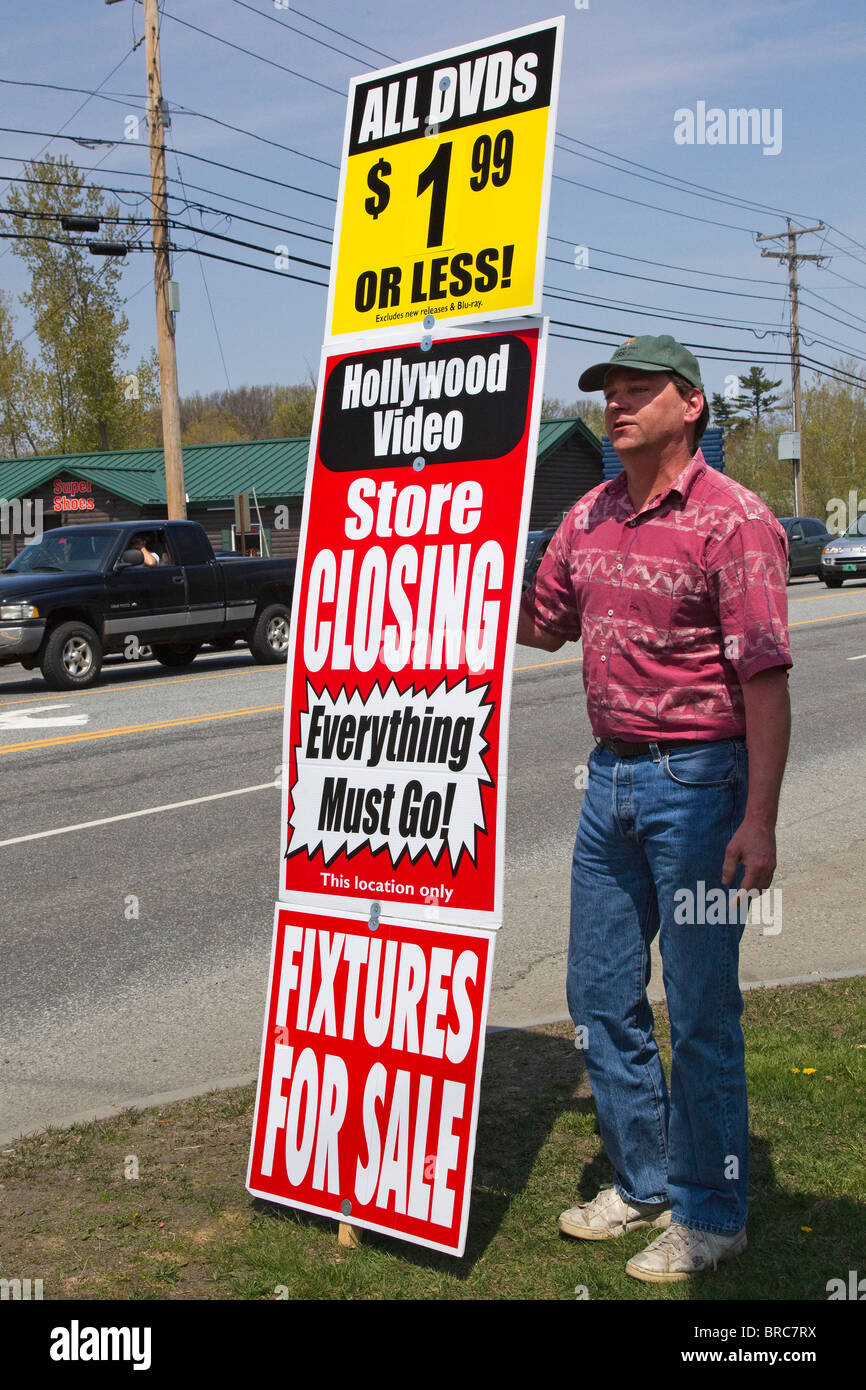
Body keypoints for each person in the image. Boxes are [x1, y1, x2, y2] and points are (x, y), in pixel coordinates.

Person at [518, 334, 792, 1283]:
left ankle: (713, 1216)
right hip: (611, 782)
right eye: (610, 393)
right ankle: (642, 1185)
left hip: (703, 787)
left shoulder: (735, 522)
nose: (619, 405)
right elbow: (538, 626)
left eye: (640, 391)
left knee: (703, 1009)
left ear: (692, 408)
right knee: (597, 993)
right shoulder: (587, 513)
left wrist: (759, 820)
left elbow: (763, 683)